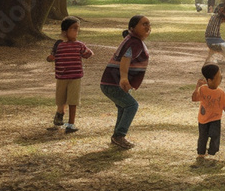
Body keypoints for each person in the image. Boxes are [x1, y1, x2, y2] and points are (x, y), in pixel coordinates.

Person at [100, 14, 151, 149]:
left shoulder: (133, 40)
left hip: (110, 82)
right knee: (131, 106)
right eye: (143, 24)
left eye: (148, 24)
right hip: (113, 82)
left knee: (124, 106)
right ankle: (119, 136)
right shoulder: (134, 42)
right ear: (132, 28)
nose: (147, 26)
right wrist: (123, 77)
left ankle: (117, 136)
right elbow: (125, 59)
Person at [47, 16, 93, 134]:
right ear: (65, 31)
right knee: (60, 100)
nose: (76, 31)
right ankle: (60, 113)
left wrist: (88, 53)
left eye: (77, 29)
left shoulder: (79, 45)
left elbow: (88, 54)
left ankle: (71, 124)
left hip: (75, 77)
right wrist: (50, 58)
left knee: (73, 101)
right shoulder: (59, 44)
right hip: (62, 77)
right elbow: (52, 57)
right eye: (74, 28)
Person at [192, 63, 225, 164]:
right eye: (218, 77)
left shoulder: (221, 92)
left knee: (215, 135)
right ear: (209, 80)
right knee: (203, 136)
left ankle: (212, 151)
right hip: (203, 119)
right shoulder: (203, 89)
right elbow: (194, 99)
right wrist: (197, 87)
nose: (220, 79)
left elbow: (224, 105)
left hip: (215, 118)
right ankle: (201, 153)